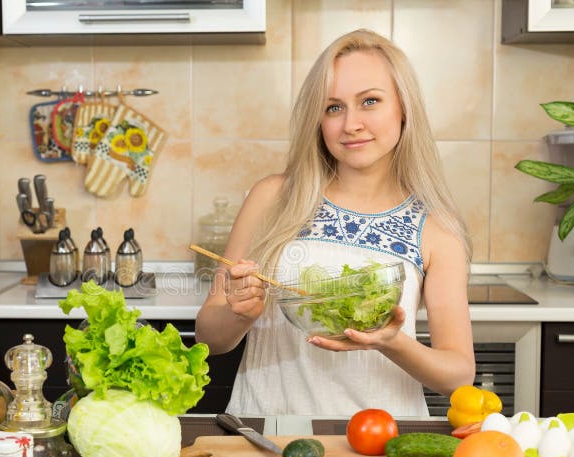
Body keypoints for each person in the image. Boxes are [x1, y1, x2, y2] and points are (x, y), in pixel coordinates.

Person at [194, 29, 475, 417]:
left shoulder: (436, 228)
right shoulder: (273, 198)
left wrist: (390, 342)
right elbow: (209, 338)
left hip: (379, 443)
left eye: (370, 101)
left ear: (403, 108)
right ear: (318, 120)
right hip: (265, 432)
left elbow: (458, 374)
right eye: (333, 108)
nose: (351, 124)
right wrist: (237, 313)